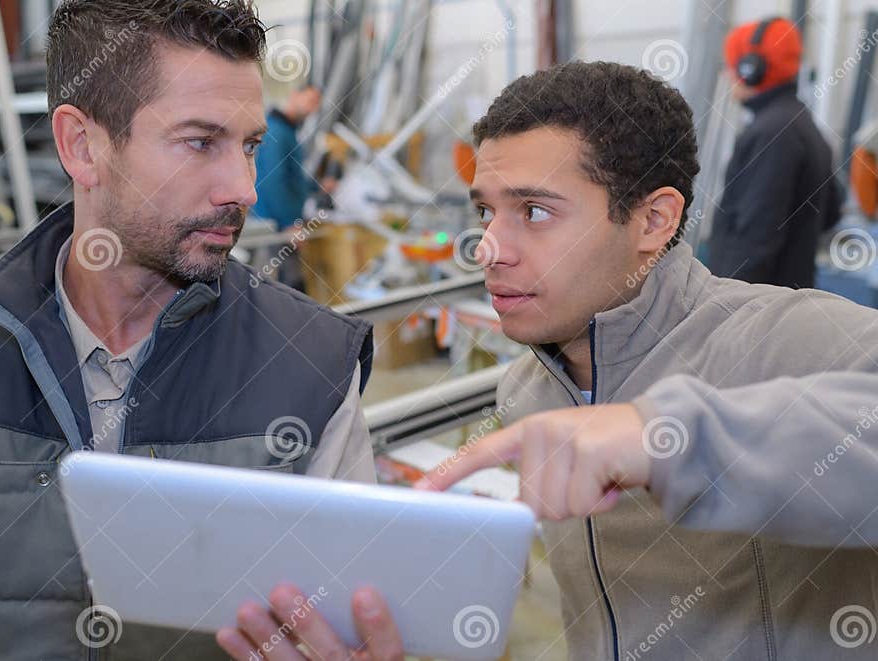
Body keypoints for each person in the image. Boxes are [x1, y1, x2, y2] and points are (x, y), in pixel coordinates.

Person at [218, 61, 878, 661]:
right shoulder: (530, 387)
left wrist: (665, 436)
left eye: (534, 211)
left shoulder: (780, 338)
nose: (488, 248)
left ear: (653, 221)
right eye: (486, 211)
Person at [0, 2, 377, 659]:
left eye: (250, 144)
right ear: (82, 146)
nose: (244, 188)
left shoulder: (315, 368)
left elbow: (346, 628)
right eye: (201, 141)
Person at [706, 16, 841, 288]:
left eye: (732, 65)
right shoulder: (801, 123)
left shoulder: (772, 134)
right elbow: (832, 213)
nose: (726, 75)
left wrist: (722, 306)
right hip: (786, 301)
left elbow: (755, 239)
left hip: (756, 310)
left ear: (751, 68)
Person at [252, 86, 332, 291]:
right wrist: (289, 224)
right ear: (294, 95)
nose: (311, 108)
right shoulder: (276, 131)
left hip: (284, 223)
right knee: (281, 289)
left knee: (290, 287)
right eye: (309, 100)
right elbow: (272, 181)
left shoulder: (288, 131)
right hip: (275, 225)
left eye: (316, 104)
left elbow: (293, 177)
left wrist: (317, 187)